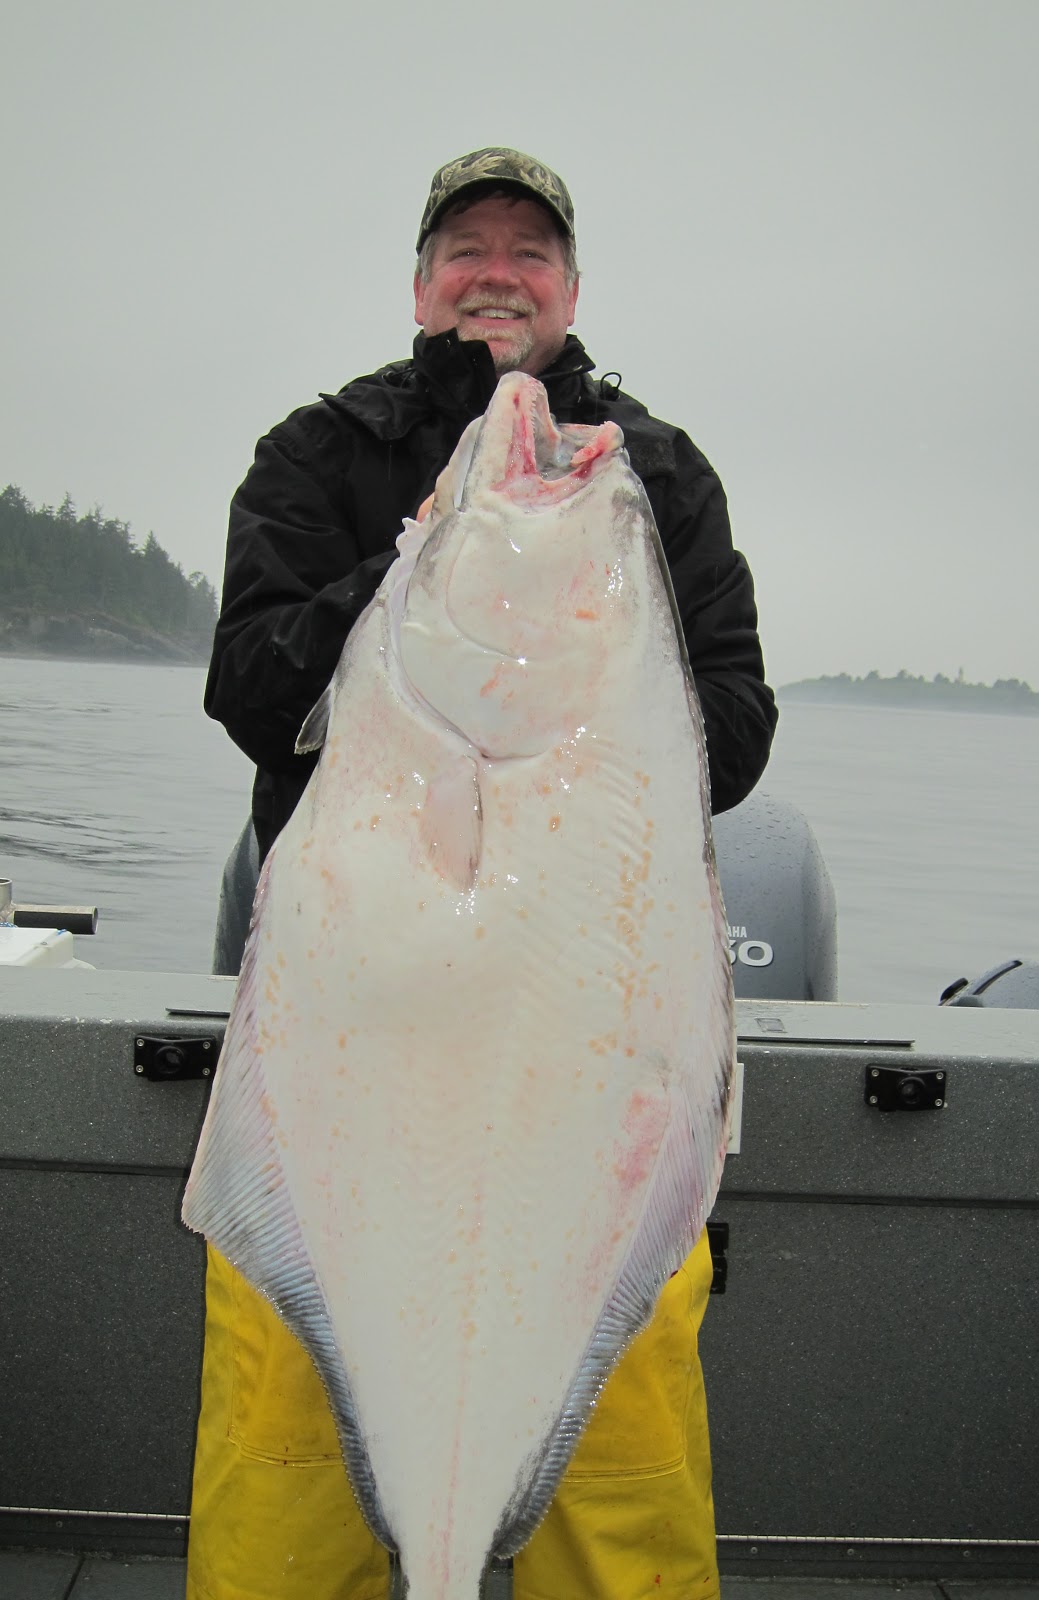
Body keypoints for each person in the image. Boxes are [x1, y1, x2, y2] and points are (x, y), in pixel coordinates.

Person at [191, 147, 777, 1600]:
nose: (496, 271)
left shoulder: (656, 469)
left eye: (530, 250)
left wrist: (572, 616)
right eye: (467, 247)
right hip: (346, 1073)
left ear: (572, 289)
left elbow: (741, 732)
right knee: (281, 1504)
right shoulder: (316, 455)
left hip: (586, 1084)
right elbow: (258, 689)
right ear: (420, 279)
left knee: (622, 1509)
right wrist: (420, 557)